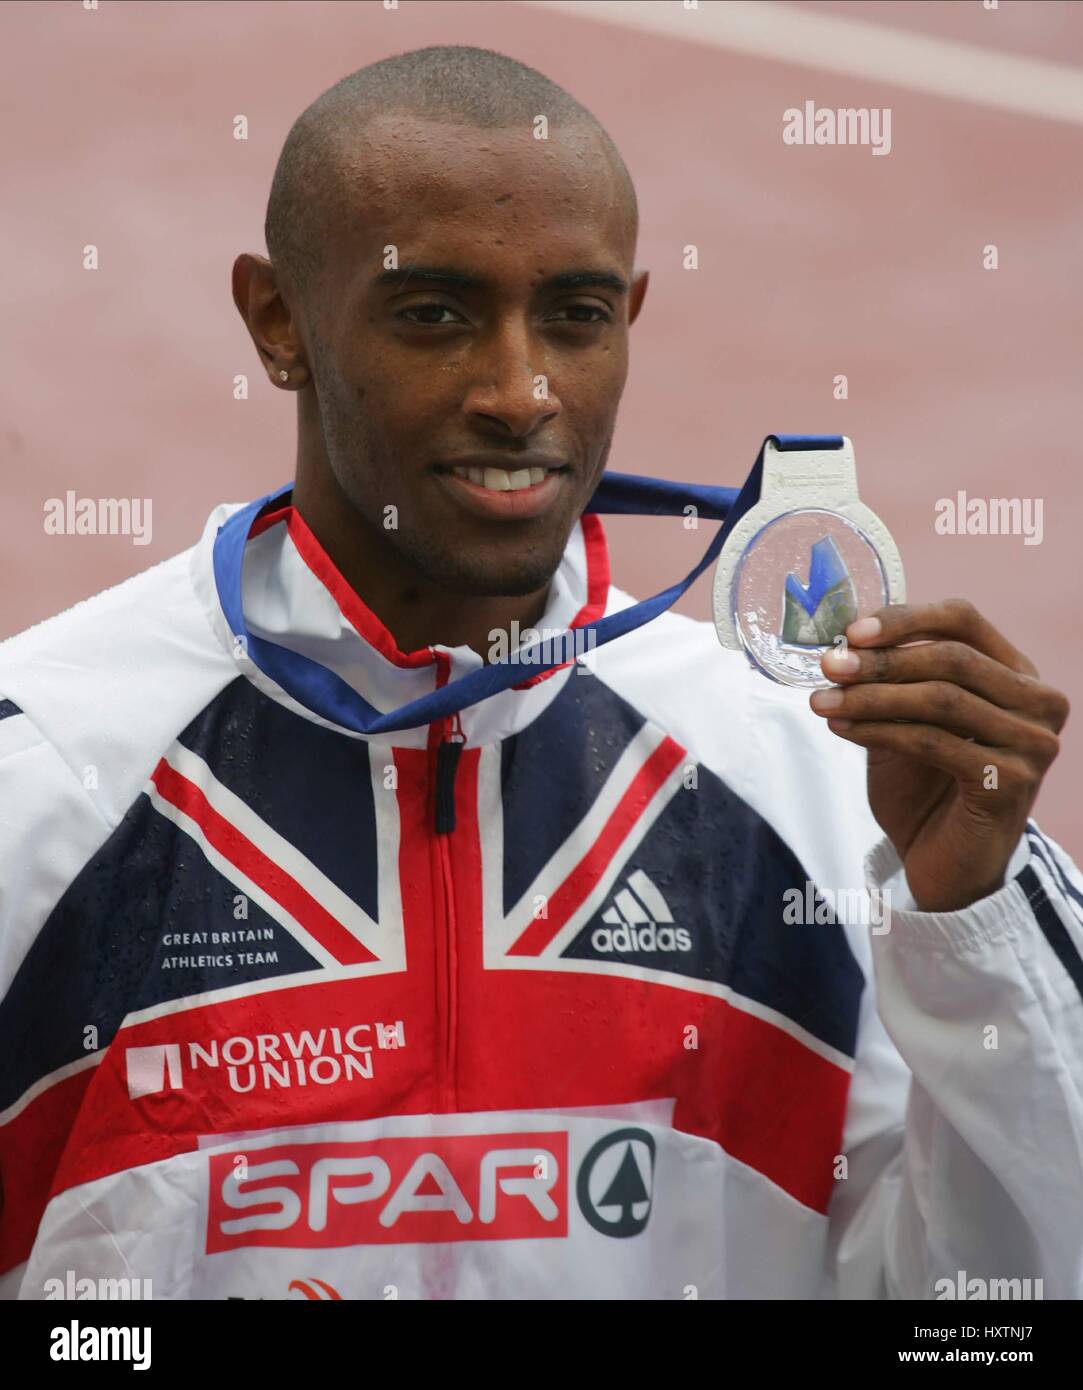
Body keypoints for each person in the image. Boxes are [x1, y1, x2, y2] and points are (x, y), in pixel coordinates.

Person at [0, 44, 1079, 1302]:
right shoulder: (45, 772)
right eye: (434, 313)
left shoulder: (813, 783)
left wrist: (969, 918)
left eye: (573, 315)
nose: (521, 392)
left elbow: (983, 1316)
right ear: (278, 318)